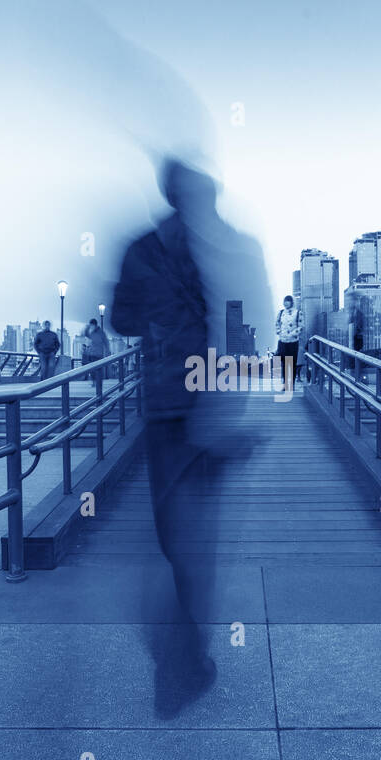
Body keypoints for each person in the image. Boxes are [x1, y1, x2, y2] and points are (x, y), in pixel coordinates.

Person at [112, 156, 268, 720]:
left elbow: (121, 320)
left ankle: (182, 659)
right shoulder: (228, 247)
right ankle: (185, 658)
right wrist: (242, 407)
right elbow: (247, 329)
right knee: (193, 542)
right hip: (208, 411)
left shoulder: (144, 248)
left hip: (167, 412)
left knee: (179, 541)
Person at [273, 295, 302, 393]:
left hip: (293, 342)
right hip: (283, 341)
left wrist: (292, 334)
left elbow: (301, 326)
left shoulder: (298, 313)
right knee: (284, 364)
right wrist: (279, 332)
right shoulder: (281, 313)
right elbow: (277, 324)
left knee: (292, 364)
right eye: (284, 301)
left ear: (292, 302)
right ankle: (285, 385)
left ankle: (292, 385)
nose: (286, 303)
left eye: (288, 301)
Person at [80, 317, 108, 394]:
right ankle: (93, 381)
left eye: (92, 325)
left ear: (95, 325)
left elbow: (106, 341)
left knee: (99, 369)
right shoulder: (90, 332)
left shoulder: (101, 332)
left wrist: (107, 351)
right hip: (91, 353)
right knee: (92, 369)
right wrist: (86, 327)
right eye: (91, 325)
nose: (92, 326)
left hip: (99, 354)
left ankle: (98, 383)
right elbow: (83, 334)